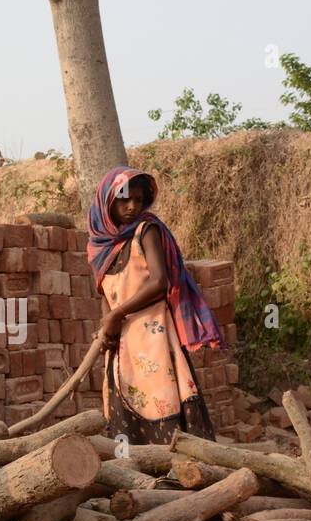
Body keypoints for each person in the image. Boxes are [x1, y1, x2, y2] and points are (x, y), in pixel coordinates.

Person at [86, 165, 224, 445]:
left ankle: (179, 467)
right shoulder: (100, 246)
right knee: (126, 399)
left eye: (138, 200)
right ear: (107, 202)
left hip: (153, 333)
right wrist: (108, 328)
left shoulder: (145, 230)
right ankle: (135, 473)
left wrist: (117, 314)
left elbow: (159, 281)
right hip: (122, 339)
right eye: (125, 200)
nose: (132, 206)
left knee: (161, 397)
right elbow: (105, 291)